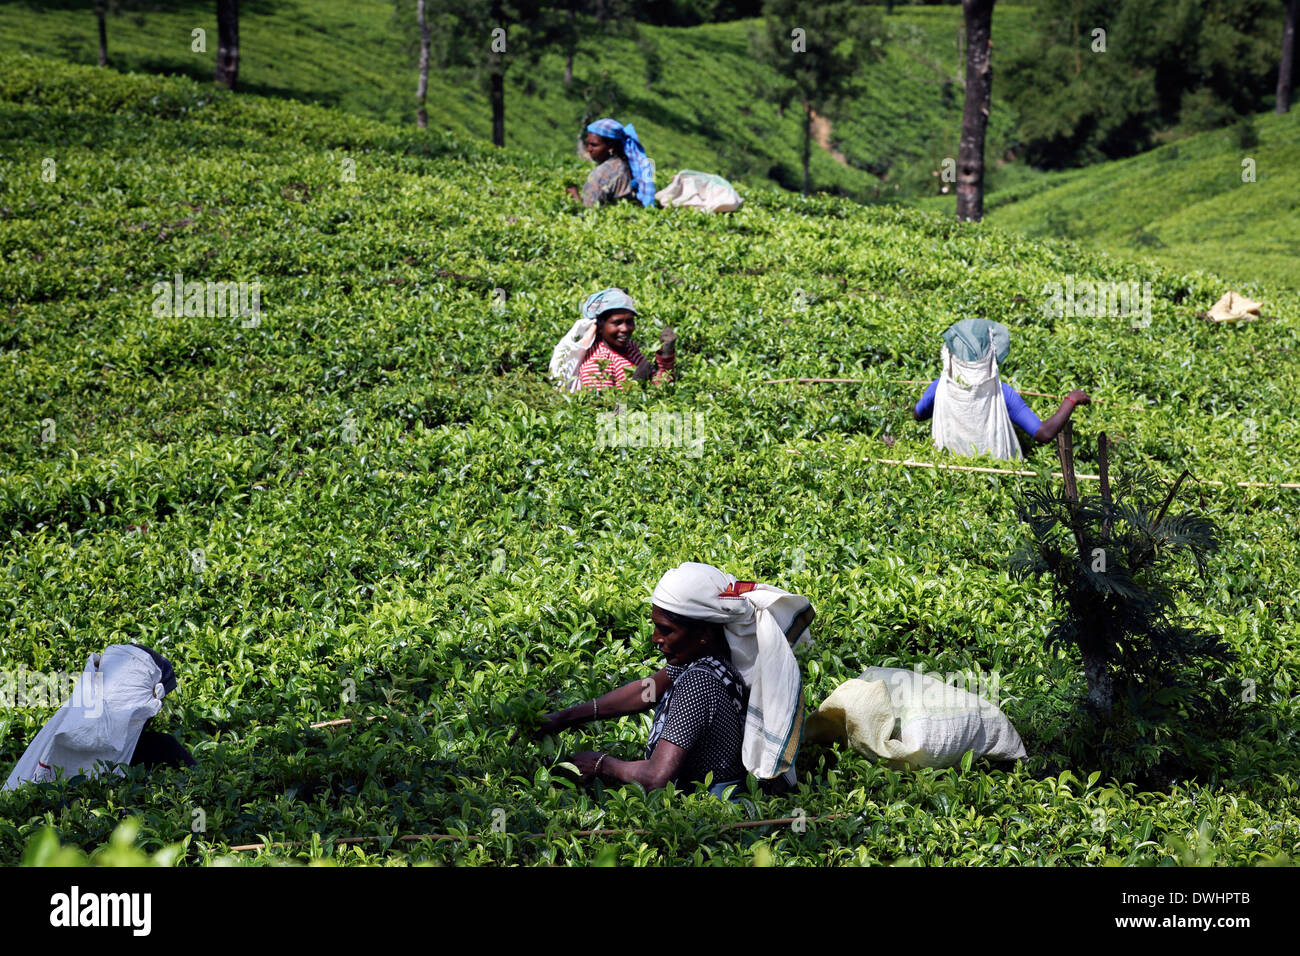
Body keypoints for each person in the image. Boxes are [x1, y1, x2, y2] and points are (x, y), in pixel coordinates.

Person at [516, 563, 814, 798]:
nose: (656, 639)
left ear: (703, 633)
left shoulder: (698, 683)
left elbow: (656, 778)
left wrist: (600, 763)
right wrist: (565, 717)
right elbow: (647, 691)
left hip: (712, 806)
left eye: (666, 630)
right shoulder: (713, 657)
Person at [913, 318, 1091, 460]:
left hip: (947, 472)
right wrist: (1071, 400)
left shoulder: (939, 388)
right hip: (996, 475)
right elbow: (1044, 433)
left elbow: (918, 415)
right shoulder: (1001, 393)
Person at [549, 288, 675, 392]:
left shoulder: (630, 348)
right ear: (599, 327)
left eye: (629, 321)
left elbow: (660, 388)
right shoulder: (598, 365)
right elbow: (604, 413)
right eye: (617, 323)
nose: (625, 329)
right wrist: (635, 385)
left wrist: (665, 359)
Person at [566, 118, 656, 209]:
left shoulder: (603, 172)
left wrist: (574, 195)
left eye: (594, 145)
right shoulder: (625, 163)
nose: (589, 149)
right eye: (588, 144)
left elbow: (588, 212)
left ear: (611, 146)